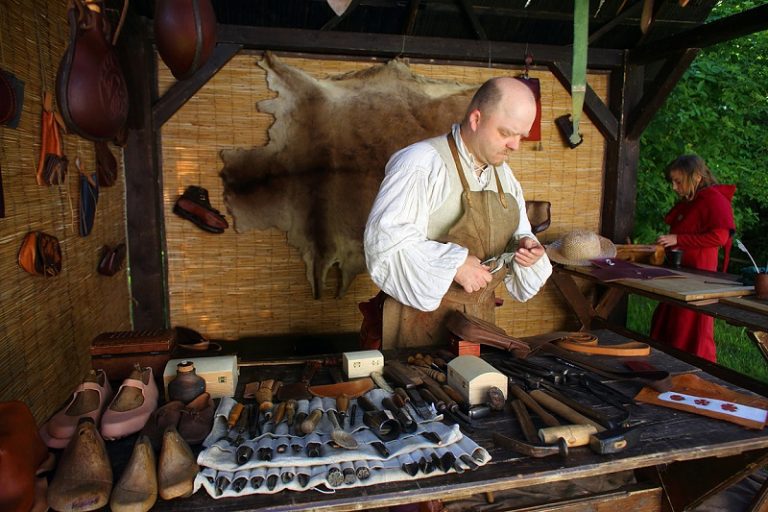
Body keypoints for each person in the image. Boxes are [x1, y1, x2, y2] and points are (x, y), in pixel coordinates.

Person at [363, 76, 552, 348]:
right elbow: (384, 243)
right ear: (476, 119)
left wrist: (525, 247)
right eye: (506, 133)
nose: (515, 146)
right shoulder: (420, 163)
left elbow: (519, 230)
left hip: (479, 323)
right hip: (417, 324)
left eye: (520, 136)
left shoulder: (504, 176)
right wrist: (454, 264)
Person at [651, 154, 736, 362]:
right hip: (681, 273)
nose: (674, 186)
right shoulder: (692, 201)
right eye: (673, 181)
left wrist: (678, 238)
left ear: (697, 177)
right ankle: (666, 363)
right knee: (669, 322)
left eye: (678, 181)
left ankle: (695, 370)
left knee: (689, 326)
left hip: (699, 276)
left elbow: (719, 237)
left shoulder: (714, 199)